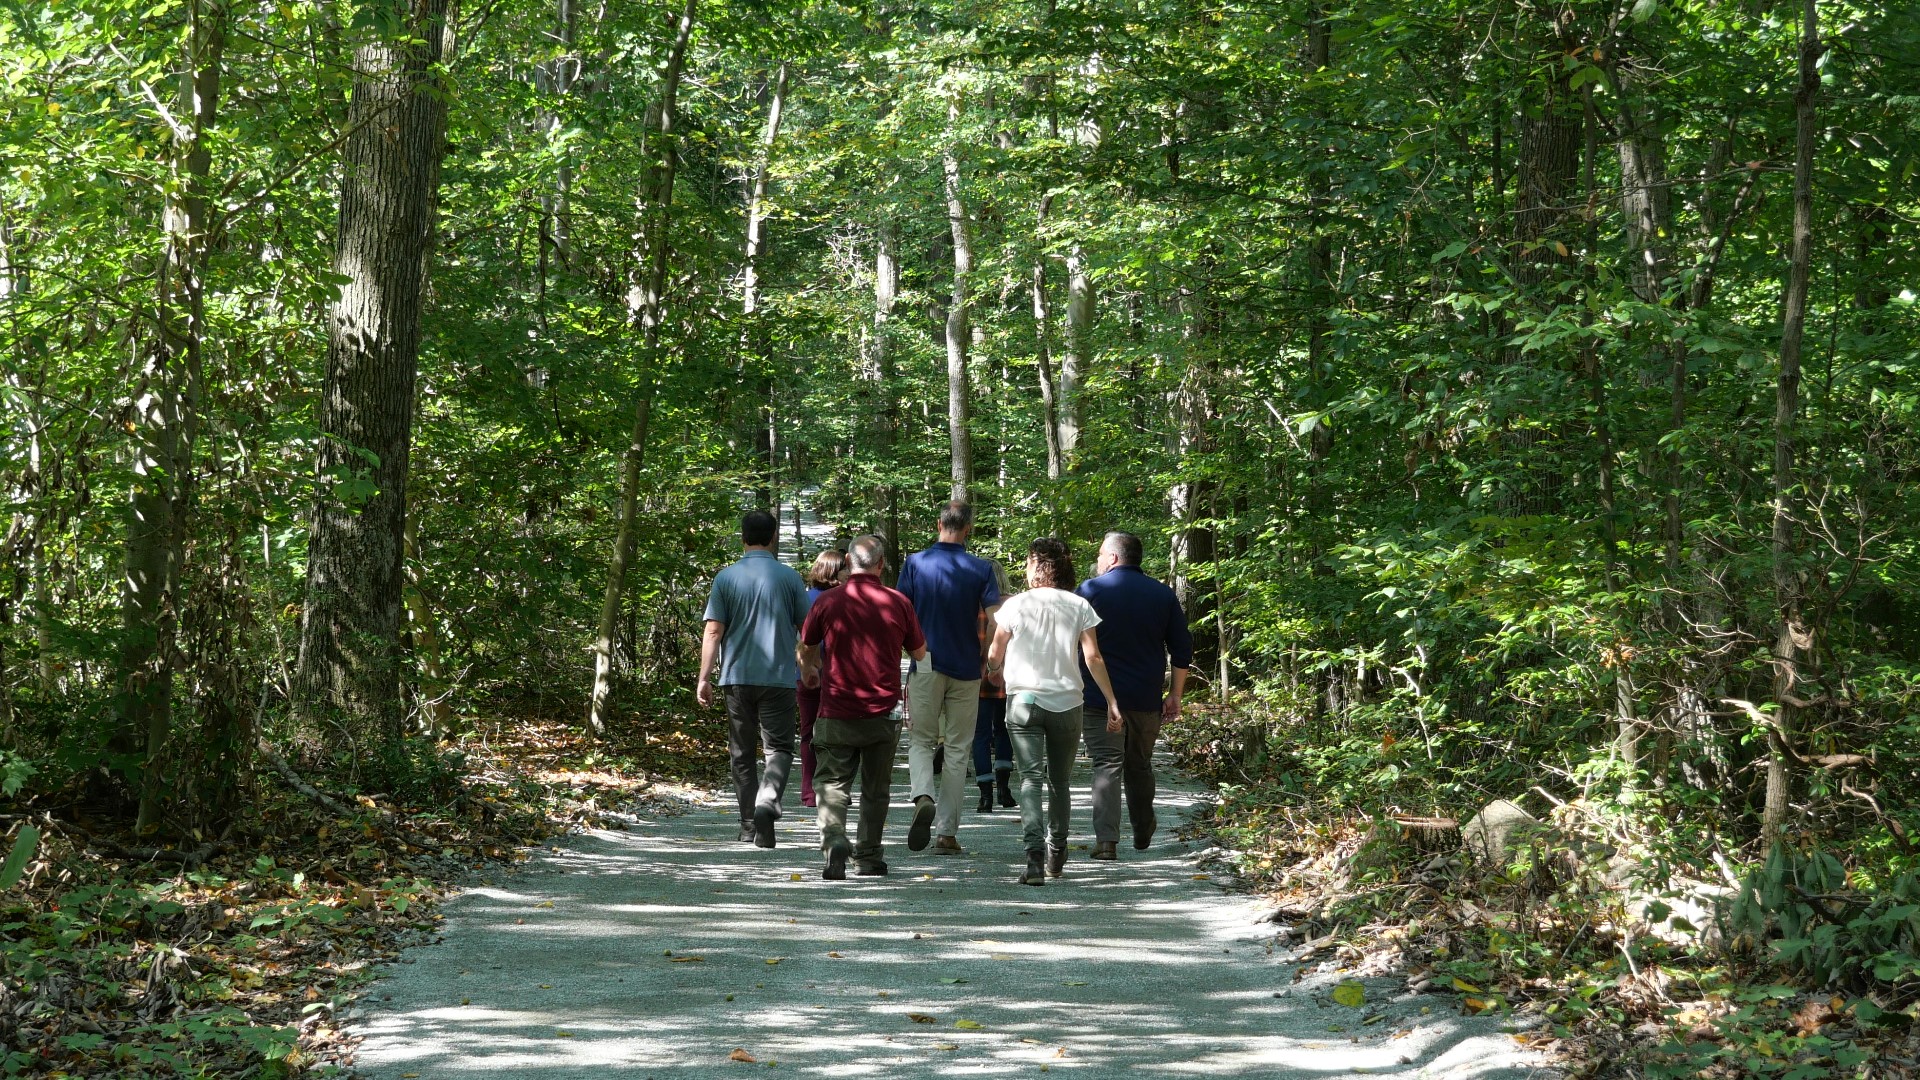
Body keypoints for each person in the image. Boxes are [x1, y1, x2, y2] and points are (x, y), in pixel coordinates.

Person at [988, 538, 1123, 885]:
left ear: (1036, 565)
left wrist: (993, 670)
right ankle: (1056, 853)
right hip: (1068, 703)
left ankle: (1033, 857)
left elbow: (995, 652)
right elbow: (1093, 657)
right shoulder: (1079, 605)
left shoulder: (1015, 605)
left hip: (1024, 702)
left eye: (1028, 562)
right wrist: (1111, 701)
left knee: (1030, 779)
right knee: (1060, 781)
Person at [798, 535, 927, 879]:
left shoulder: (827, 601)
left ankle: (834, 840)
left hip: (836, 708)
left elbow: (806, 645)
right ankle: (868, 856)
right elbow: (919, 652)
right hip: (883, 713)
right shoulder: (898, 602)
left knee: (831, 782)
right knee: (875, 788)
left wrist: (809, 669)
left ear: (848, 563)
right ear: (881, 564)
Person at [696, 509, 810, 849]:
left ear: (742, 537)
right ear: (773, 537)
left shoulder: (725, 578)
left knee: (742, 752)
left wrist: (704, 678)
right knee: (779, 748)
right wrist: (809, 668)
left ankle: (749, 825)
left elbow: (713, 631)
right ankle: (768, 800)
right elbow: (806, 630)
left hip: (737, 678)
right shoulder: (789, 578)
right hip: (779, 678)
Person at [1076, 531, 1193, 858]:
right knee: (1139, 764)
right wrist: (1175, 694)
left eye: (1101, 554)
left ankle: (1107, 842)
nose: (1098, 559)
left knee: (1107, 765)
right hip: (1145, 698)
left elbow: (1071, 642)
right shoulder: (1162, 594)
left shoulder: (1089, 591)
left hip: (1099, 699)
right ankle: (1142, 827)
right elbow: (1182, 648)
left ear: (1113, 557)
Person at [895, 501, 1001, 855]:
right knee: (957, 749)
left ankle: (923, 795)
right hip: (967, 667)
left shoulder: (915, 563)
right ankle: (946, 834)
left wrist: (906, 652)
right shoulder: (981, 568)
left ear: (938, 524)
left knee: (921, 741)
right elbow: (996, 619)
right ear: (968, 529)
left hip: (924, 662)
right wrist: (990, 661)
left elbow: (899, 613)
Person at [796, 549, 850, 809]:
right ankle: (833, 789)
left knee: (809, 733)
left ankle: (810, 792)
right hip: (832, 676)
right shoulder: (839, 600)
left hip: (806, 674)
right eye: (845, 569)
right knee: (837, 734)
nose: (849, 573)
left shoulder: (805, 598)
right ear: (833, 572)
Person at [973, 561, 1016, 813]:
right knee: (1004, 731)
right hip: (1009, 677)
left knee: (980, 735)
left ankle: (985, 796)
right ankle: (1004, 790)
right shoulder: (1015, 604)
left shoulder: (973, 605)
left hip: (977, 677)